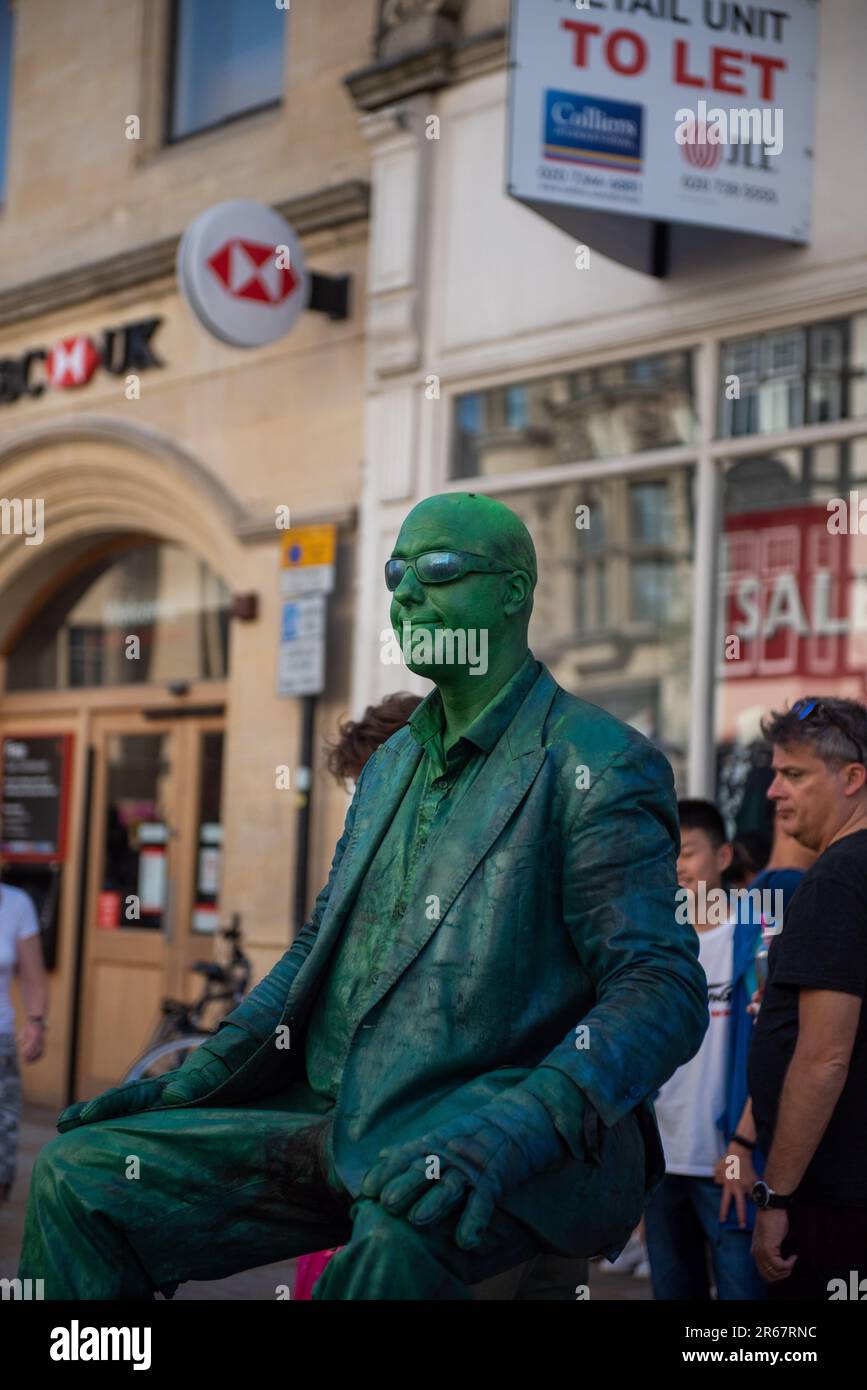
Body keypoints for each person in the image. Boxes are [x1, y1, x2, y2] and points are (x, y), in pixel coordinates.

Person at [20, 491, 707, 1300]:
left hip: (486, 1123)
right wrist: (195, 1079)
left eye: (439, 570)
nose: (407, 592)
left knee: (399, 1235)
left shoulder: (596, 760)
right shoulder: (390, 767)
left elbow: (659, 987)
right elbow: (318, 949)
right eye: (394, 572)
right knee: (80, 1173)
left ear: (514, 591)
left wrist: (519, 1125)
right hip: (329, 1113)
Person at [748, 696, 867, 1300]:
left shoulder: (840, 877)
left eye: (793, 775)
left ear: (852, 779)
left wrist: (776, 1195)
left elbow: (825, 1059)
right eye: (774, 773)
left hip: (832, 1202)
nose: (774, 792)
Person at [645, 800, 768, 1300]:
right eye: (669, 852)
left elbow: (775, 1051)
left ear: (722, 856)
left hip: (729, 1163)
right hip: (660, 1164)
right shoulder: (653, 942)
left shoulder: (758, 934)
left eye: (689, 851)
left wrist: (743, 1145)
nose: (677, 865)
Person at [0, 878, 48, 1205]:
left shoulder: (16, 904)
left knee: (2, 1143)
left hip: (0, 1039)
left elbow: (33, 976)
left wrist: (36, 1022)